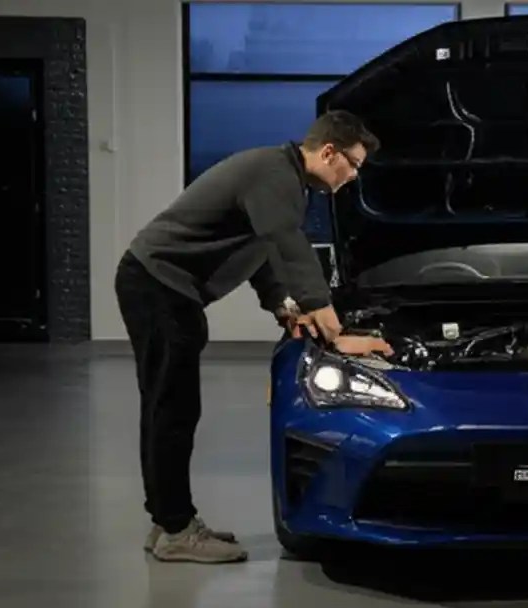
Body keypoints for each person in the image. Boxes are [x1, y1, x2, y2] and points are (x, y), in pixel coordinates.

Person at [115, 110, 392, 563]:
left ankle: (167, 520)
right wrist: (328, 320)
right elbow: (287, 243)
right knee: (173, 408)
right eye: (354, 164)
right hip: (158, 286)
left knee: (169, 406)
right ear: (328, 152)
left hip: (161, 288)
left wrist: (285, 309)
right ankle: (175, 530)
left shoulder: (282, 179)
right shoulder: (274, 174)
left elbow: (263, 254)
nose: (354, 176)